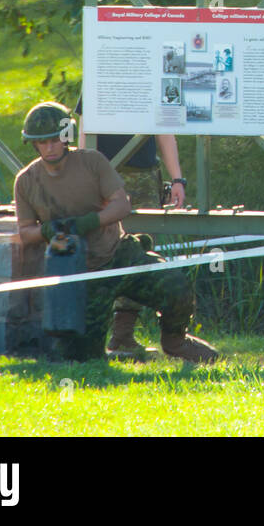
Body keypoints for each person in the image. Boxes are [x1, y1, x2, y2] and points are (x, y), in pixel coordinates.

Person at [13, 101, 217, 363]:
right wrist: (49, 231)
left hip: (119, 255)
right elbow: (26, 231)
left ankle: (175, 342)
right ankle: (115, 345)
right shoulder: (27, 181)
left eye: (55, 140)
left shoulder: (92, 162)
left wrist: (89, 222)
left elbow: (122, 205)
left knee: (175, 285)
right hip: (80, 273)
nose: (50, 147)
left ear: (66, 138)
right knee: (83, 357)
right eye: (43, 142)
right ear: (33, 144)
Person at [75, 101, 188, 359]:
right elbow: (85, 127)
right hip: (103, 175)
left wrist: (177, 178)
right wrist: (85, 177)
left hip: (144, 176)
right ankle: (93, 335)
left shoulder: (148, 71)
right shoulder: (99, 68)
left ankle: (123, 334)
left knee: (140, 253)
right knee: (101, 253)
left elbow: (164, 130)